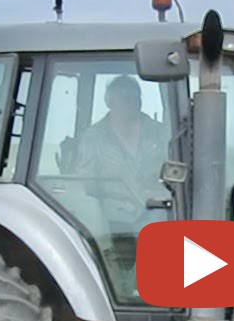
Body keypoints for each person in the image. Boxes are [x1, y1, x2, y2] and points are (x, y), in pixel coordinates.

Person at [67, 74, 171, 226]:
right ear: (109, 102)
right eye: (124, 96)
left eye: (134, 96)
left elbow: (174, 171)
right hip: (114, 220)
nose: (131, 101)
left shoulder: (159, 133)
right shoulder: (94, 138)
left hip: (157, 211)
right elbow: (86, 183)